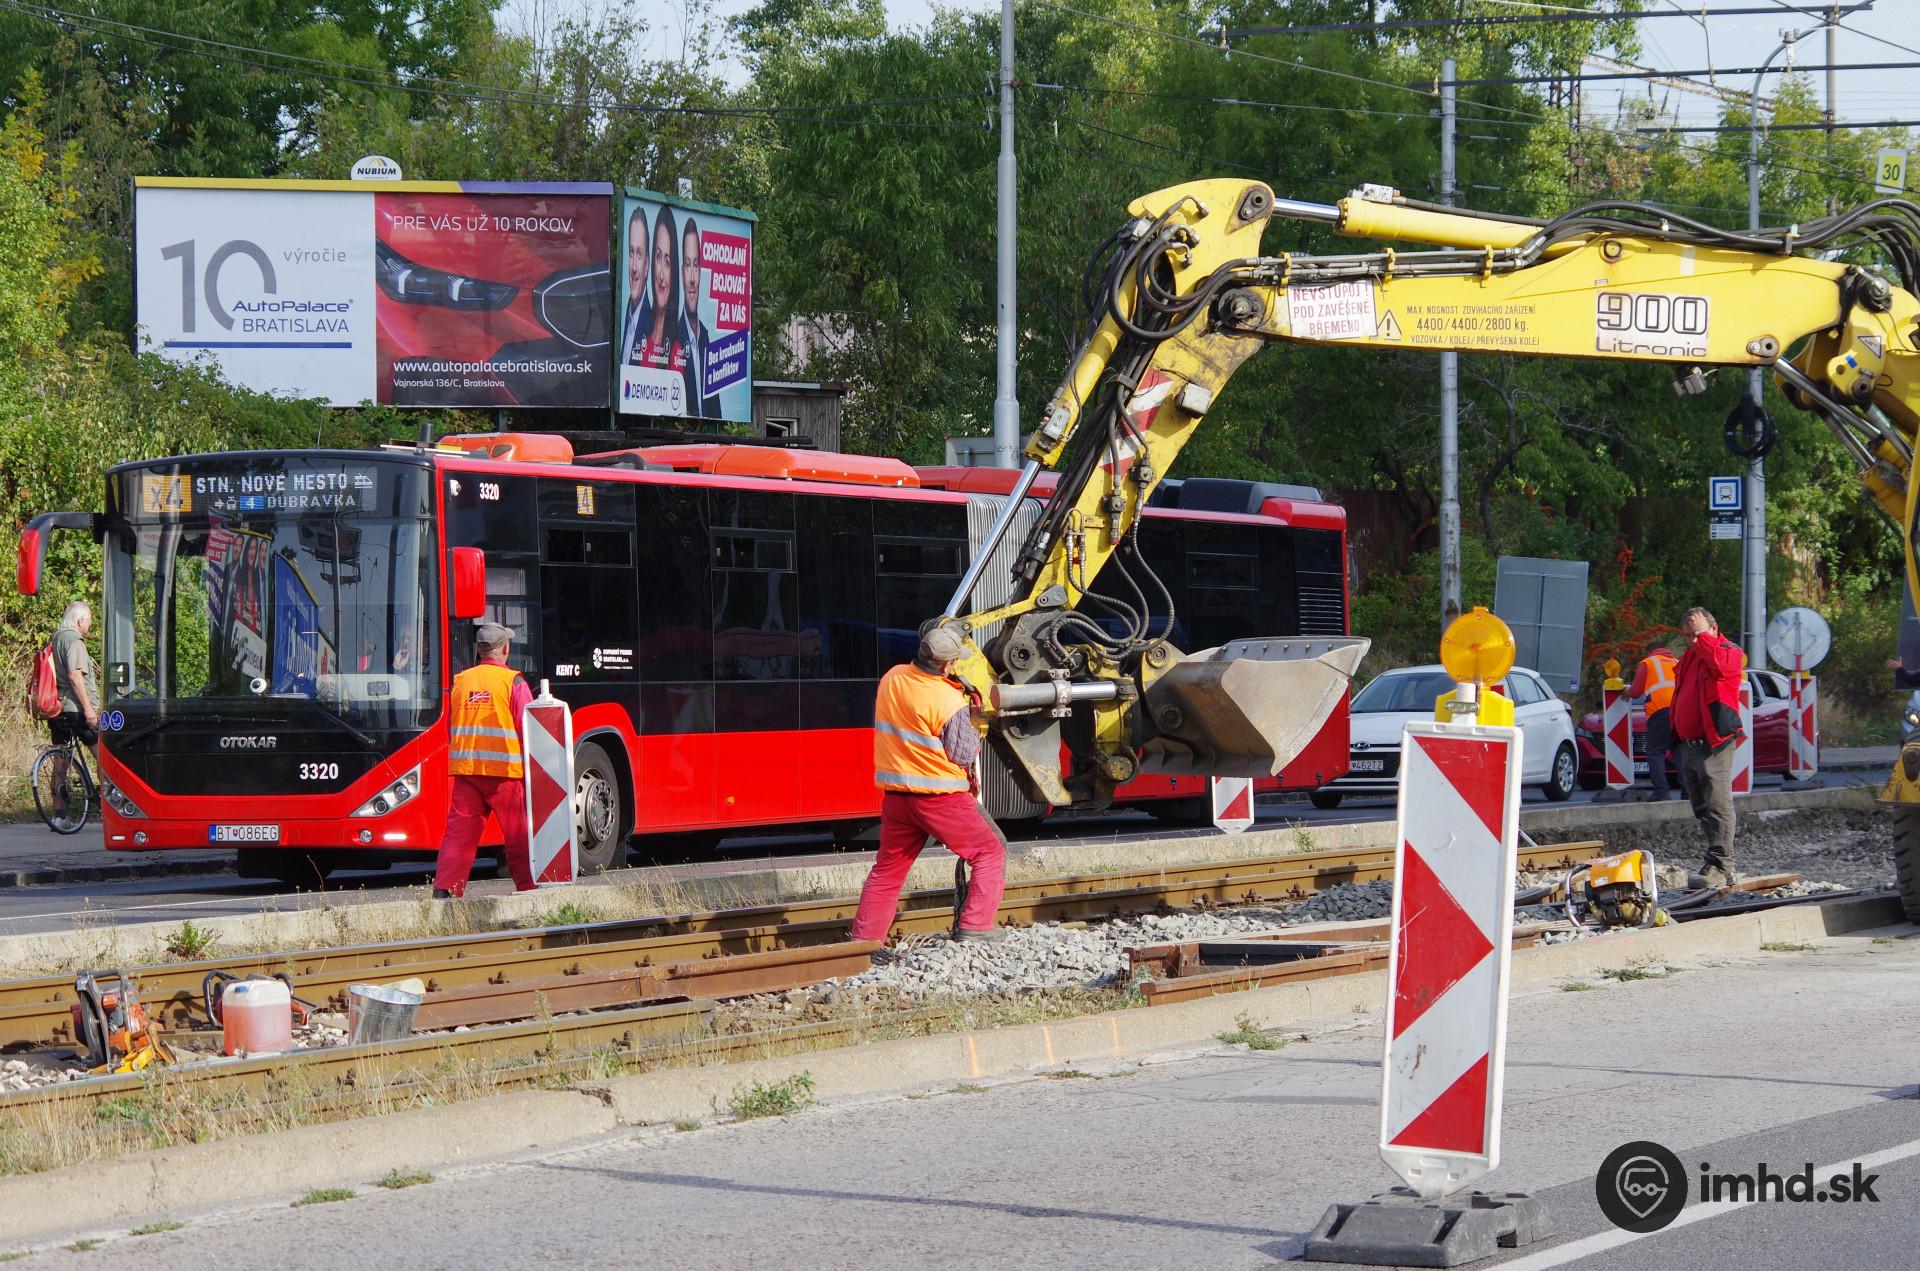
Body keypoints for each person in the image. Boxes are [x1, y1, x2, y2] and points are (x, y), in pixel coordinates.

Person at [849, 626, 1008, 943]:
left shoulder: (892, 677)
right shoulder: (947, 699)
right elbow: (961, 753)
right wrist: (976, 720)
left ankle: (864, 945)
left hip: (897, 797)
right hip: (940, 797)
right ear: (947, 665)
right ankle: (976, 928)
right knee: (991, 850)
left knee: (888, 871)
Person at [434, 623, 536, 898]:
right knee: (517, 835)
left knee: (459, 834)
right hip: (505, 772)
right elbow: (528, 730)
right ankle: (528, 889)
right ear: (505, 649)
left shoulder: (460, 681)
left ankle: (445, 891)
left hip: (468, 771)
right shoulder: (513, 682)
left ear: (479, 650)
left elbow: (450, 728)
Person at [1670, 607, 1746, 888]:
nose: (1692, 640)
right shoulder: (1692, 655)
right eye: (1688, 635)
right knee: (1702, 804)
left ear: (1713, 629)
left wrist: (1703, 638)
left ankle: (1721, 863)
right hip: (1690, 744)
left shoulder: (1727, 650)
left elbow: (1723, 668)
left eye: (1697, 633)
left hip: (1714, 742)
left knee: (1717, 802)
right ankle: (1717, 859)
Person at [48, 602, 99, 811]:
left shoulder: (55, 638)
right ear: (80, 621)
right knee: (103, 755)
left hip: (57, 708)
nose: (89, 625)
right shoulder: (74, 640)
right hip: (76, 709)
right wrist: (89, 710)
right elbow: (75, 676)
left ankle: (58, 813)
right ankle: (112, 807)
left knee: (60, 762)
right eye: (89, 621)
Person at [631, 207, 684, 383]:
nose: (661, 275)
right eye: (658, 257)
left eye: (668, 262)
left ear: (675, 270)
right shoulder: (637, 334)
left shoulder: (678, 350)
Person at [679, 216, 719, 418]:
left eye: (696, 265)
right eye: (687, 265)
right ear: (681, 272)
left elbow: (716, 414)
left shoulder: (705, 337)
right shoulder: (673, 339)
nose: (692, 279)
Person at [1630, 637, 1679, 800]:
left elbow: (1636, 692)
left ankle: (1661, 792)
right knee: (1679, 751)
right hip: (1680, 710)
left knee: (1655, 752)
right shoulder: (1677, 662)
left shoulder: (1648, 663)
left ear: (1649, 651)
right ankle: (1689, 791)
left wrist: (1626, 693)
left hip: (1660, 710)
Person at [619, 205, 650, 365]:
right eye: (631, 253)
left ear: (647, 265)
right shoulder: (625, 314)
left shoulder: (653, 326)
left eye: (639, 254)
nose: (633, 268)